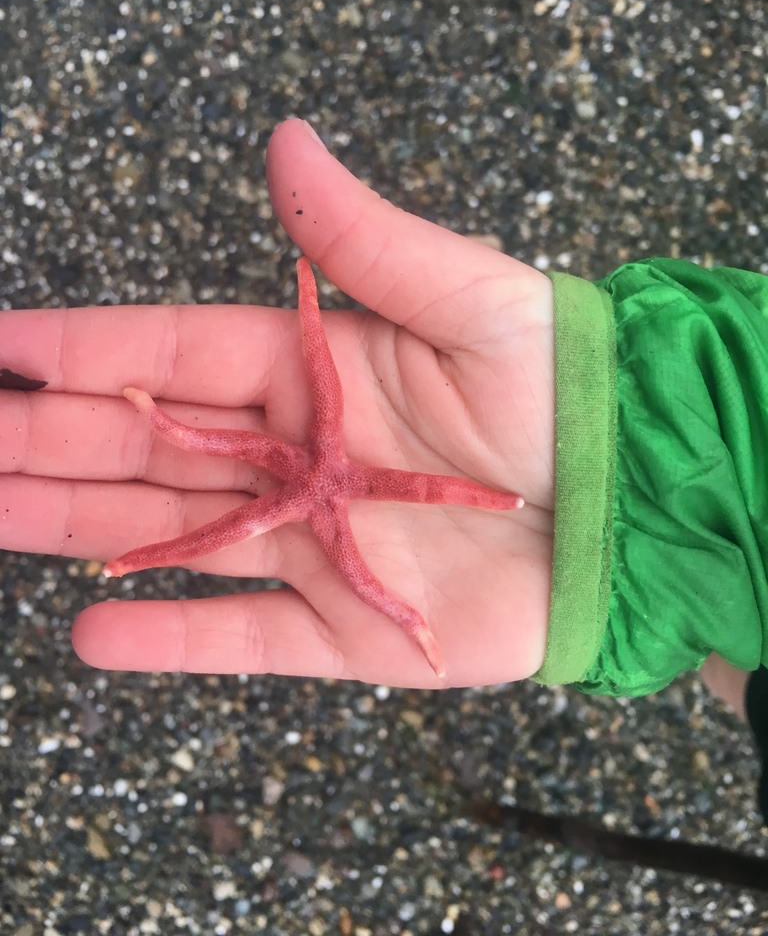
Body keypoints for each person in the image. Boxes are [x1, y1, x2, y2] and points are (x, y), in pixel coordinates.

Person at [0, 118, 760, 721]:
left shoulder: (319, 481)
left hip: (710, 613)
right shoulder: (315, 475)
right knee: (261, 507)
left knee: (281, 524)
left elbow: (382, 502)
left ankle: (734, 658)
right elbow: (262, 433)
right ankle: (735, 657)